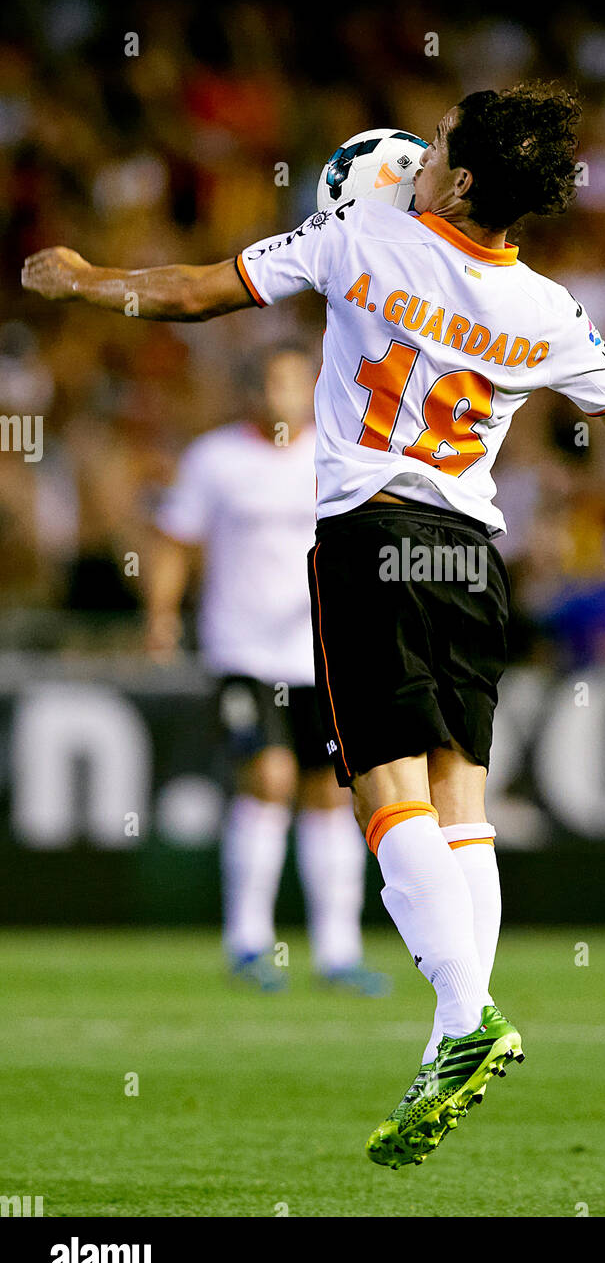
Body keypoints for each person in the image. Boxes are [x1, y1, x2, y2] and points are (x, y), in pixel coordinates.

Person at [22, 82, 605, 1170]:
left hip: (370, 537)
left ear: (462, 179)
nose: (420, 154)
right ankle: (450, 1031)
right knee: (457, 798)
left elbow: (198, 292)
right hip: (471, 553)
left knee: (385, 792)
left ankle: (466, 1013)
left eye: (437, 147)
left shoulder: (362, 233)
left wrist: (89, 280)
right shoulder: (548, 310)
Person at [146, 343, 388, 996]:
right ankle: (248, 942)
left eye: (291, 381)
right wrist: (162, 615)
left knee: (330, 796)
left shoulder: (336, 455)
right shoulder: (215, 459)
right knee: (268, 779)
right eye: (270, 381)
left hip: (321, 655)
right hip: (242, 654)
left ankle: (338, 951)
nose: (281, 393)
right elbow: (175, 541)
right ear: (253, 390)